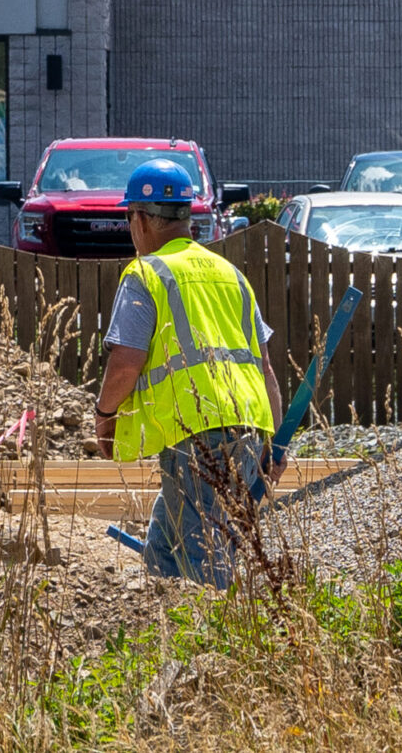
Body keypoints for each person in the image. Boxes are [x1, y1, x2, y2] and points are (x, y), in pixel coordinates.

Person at [93, 158, 284, 587]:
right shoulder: (231, 275)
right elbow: (265, 367)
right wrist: (271, 442)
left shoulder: (146, 274)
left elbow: (125, 363)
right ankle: (161, 615)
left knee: (204, 558)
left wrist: (105, 416)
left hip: (196, 433)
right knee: (165, 544)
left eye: (129, 219)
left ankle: (211, 627)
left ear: (140, 219)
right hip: (248, 426)